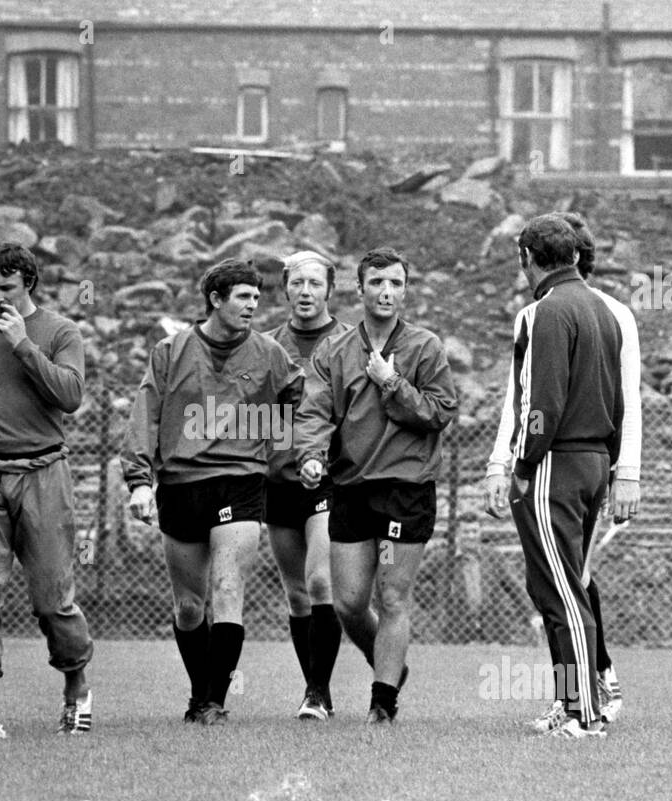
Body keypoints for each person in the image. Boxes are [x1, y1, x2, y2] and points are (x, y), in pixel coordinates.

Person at [122, 258, 303, 725]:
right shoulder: (171, 350)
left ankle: (212, 702)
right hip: (181, 484)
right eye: (242, 297)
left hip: (240, 482)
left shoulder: (270, 353)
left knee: (227, 589)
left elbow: (300, 402)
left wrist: (288, 451)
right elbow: (146, 415)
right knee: (188, 606)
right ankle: (200, 694)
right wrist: (139, 482)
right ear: (215, 300)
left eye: (257, 297)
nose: (253, 305)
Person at [484, 212, 642, 731]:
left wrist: (522, 464)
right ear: (575, 256)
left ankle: (584, 712)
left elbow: (540, 403)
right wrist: (618, 464)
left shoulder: (546, 311)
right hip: (595, 459)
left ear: (526, 258)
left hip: (557, 460)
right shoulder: (605, 309)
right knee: (560, 582)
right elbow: (622, 399)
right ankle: (572, 701)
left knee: (562, 592)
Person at [295, 247, 457, 724]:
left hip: (404, 491)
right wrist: (308, 456)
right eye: (378, 283)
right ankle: (389, 664)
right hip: (351, 489)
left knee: (392, 596)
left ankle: (382, 702)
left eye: (397, 284)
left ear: (406, 290)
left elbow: (440, 412)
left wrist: (392, 383)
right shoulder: (335, 351)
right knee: (346, 601)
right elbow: (314, 412)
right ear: (359, 288)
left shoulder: (425, 347)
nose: (388, 292)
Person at [0, 242, 94, 740]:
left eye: (5, 287)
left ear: (28, 282)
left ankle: (77, 685)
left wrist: (24, 345)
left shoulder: (61, 332)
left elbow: (70, 397)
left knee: (53, 598)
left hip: (44, 473)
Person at [263, 251, 352, 721]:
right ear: (285, 288)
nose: (305, 291)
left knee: (322, 582)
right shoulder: (266, 344)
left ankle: (316, 692)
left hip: (328, 478)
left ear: (329, 290)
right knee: (296, 593)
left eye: (315, 283)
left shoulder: (348, 342)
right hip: (277, 478)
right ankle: (315, 687)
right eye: (297, 283)